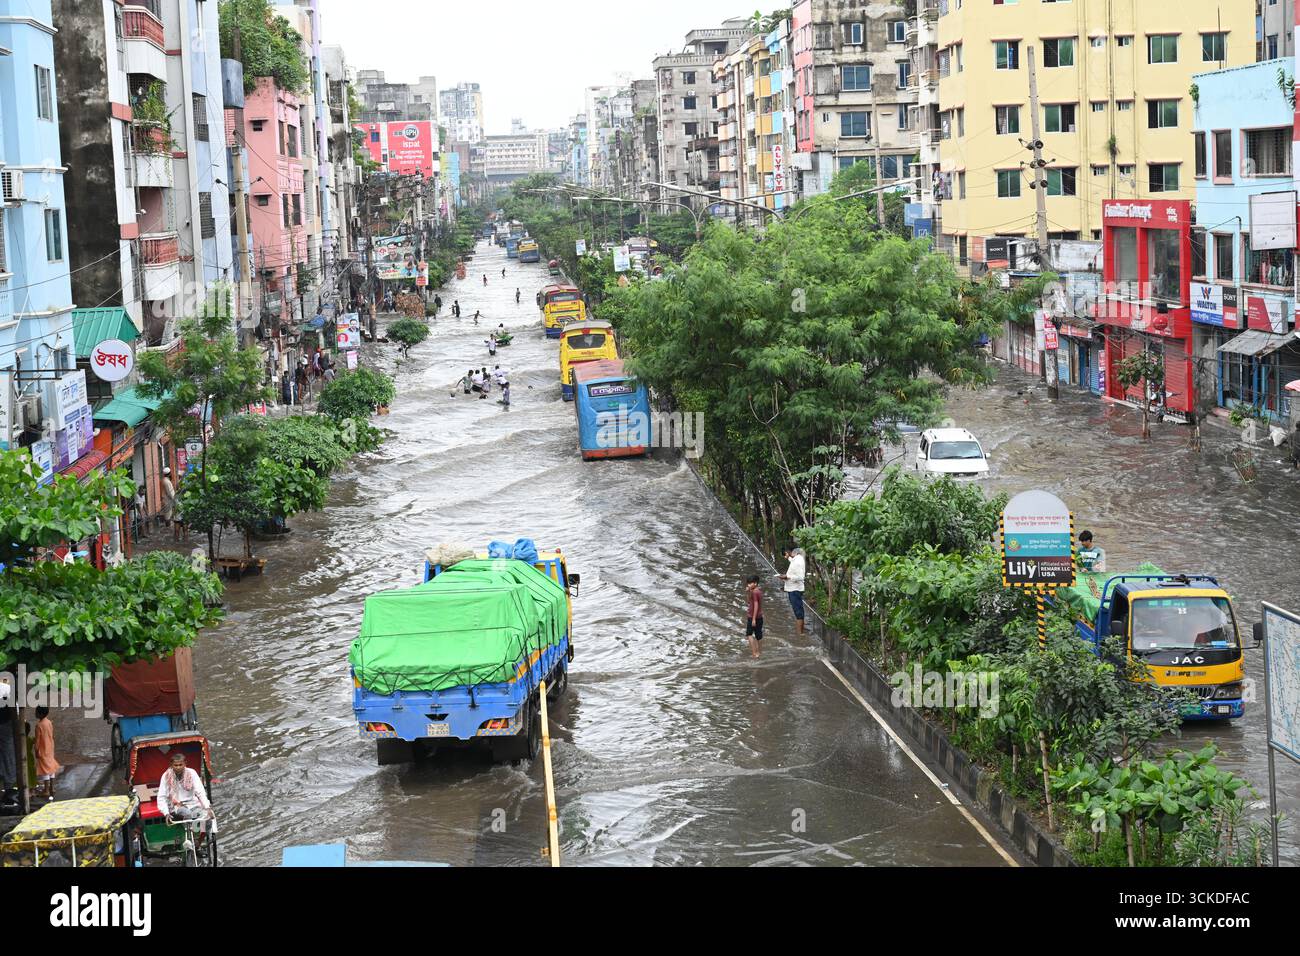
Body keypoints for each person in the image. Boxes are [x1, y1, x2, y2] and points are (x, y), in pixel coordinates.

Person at [157, 751, 211, 823]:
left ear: (185, 763)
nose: (178, 767)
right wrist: (166, 813)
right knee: (189, 814)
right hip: (176, 806)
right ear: (171, 765)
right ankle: (194, 830)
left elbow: (200, 792)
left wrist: (207, 807)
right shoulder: (166, 776)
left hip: (193, 804)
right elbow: (161, 796)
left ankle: (203, 833)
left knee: (207, 818)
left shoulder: (192, 773)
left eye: (180, 765)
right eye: (176, 765)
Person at [33, 706, 59, 802]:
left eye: (36, 712)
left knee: (45, 770)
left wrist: (36, 750)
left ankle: (46, 790)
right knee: (51, 768)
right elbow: (52, 735)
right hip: (50, 747)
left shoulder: (39, 725)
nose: (35, 713)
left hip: (43, 749)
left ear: (40, 714)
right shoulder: (49, 722)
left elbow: (37, 740)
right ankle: (52, 788)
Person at [781, 546, 807, 635]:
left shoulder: (798, 561)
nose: (785, 557)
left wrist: (787, 577)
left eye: (785, 554)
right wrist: (789, 558)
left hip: (795, 589)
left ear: (788, 551)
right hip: (794, 588)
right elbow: (793, 563)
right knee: (798, 609)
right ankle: (801, 631)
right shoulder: (796, 559)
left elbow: (800, 577)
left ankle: (800, 634)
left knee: (798, 610)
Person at [0, 677, 17, 811]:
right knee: (8, 754)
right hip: (7, 722)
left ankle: (9, 788)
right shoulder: (7, 687)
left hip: (6, 722)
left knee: (7, 755)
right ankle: (9, 787)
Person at [744, 575, 764, 659]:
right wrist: (748, 592)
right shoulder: (757, 591)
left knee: (749, 634)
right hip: (759, 616)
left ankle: (754, 653)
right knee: (758, 635)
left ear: (755, 583)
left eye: (750, 583)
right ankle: (758, 653)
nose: (748, 585)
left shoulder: (755, 592)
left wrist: (753, 619)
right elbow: (749, 601)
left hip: (753, 617)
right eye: (748, 583)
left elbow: (756, 604)